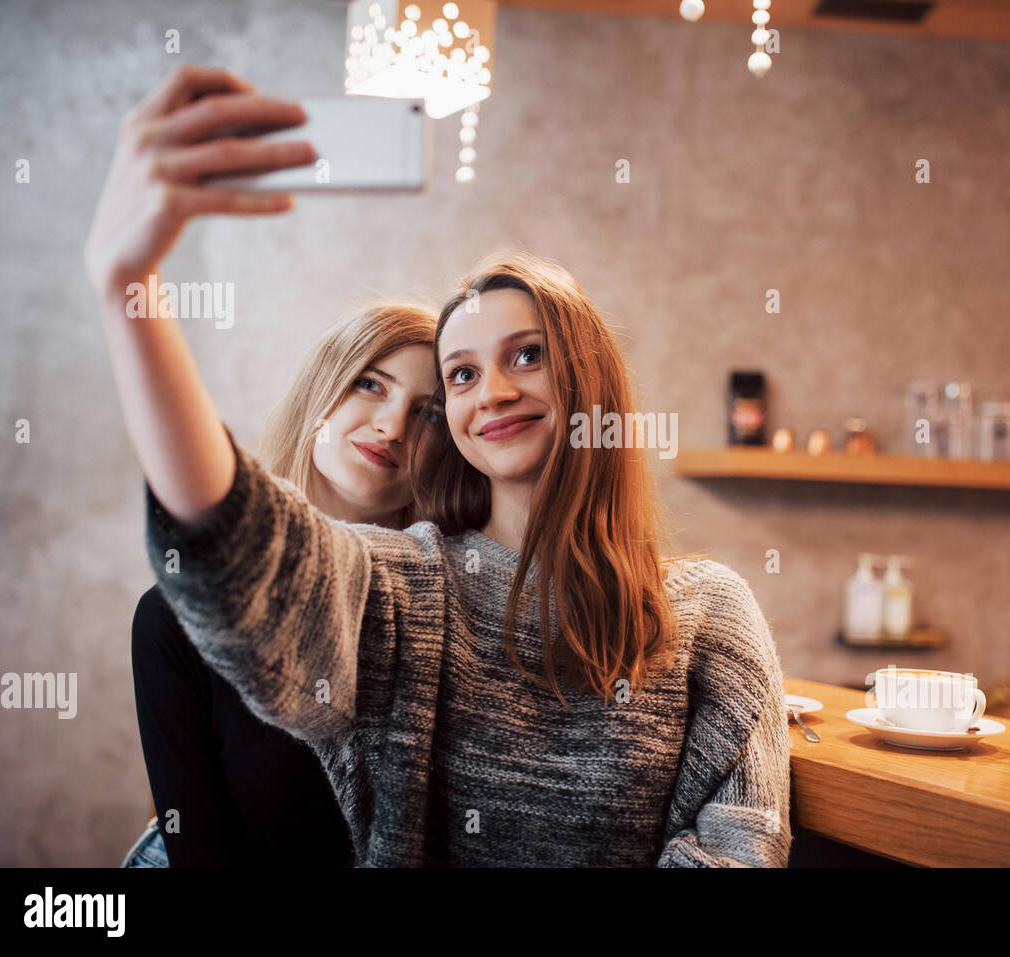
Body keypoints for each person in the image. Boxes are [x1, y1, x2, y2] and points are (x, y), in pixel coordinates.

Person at [87, 65, 791, 867]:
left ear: (590, 377)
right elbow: (244, 548)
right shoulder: (409, 585)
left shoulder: (712, 612)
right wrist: (129, 290)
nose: (491, 390)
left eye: (525, 355)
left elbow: (740, 843)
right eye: (462, 374)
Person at [122, 301, 441, 867]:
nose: (392, 426)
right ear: (322, 391)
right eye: (371, 384)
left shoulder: (458, 614)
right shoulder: (175, 620)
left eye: (429, 413)